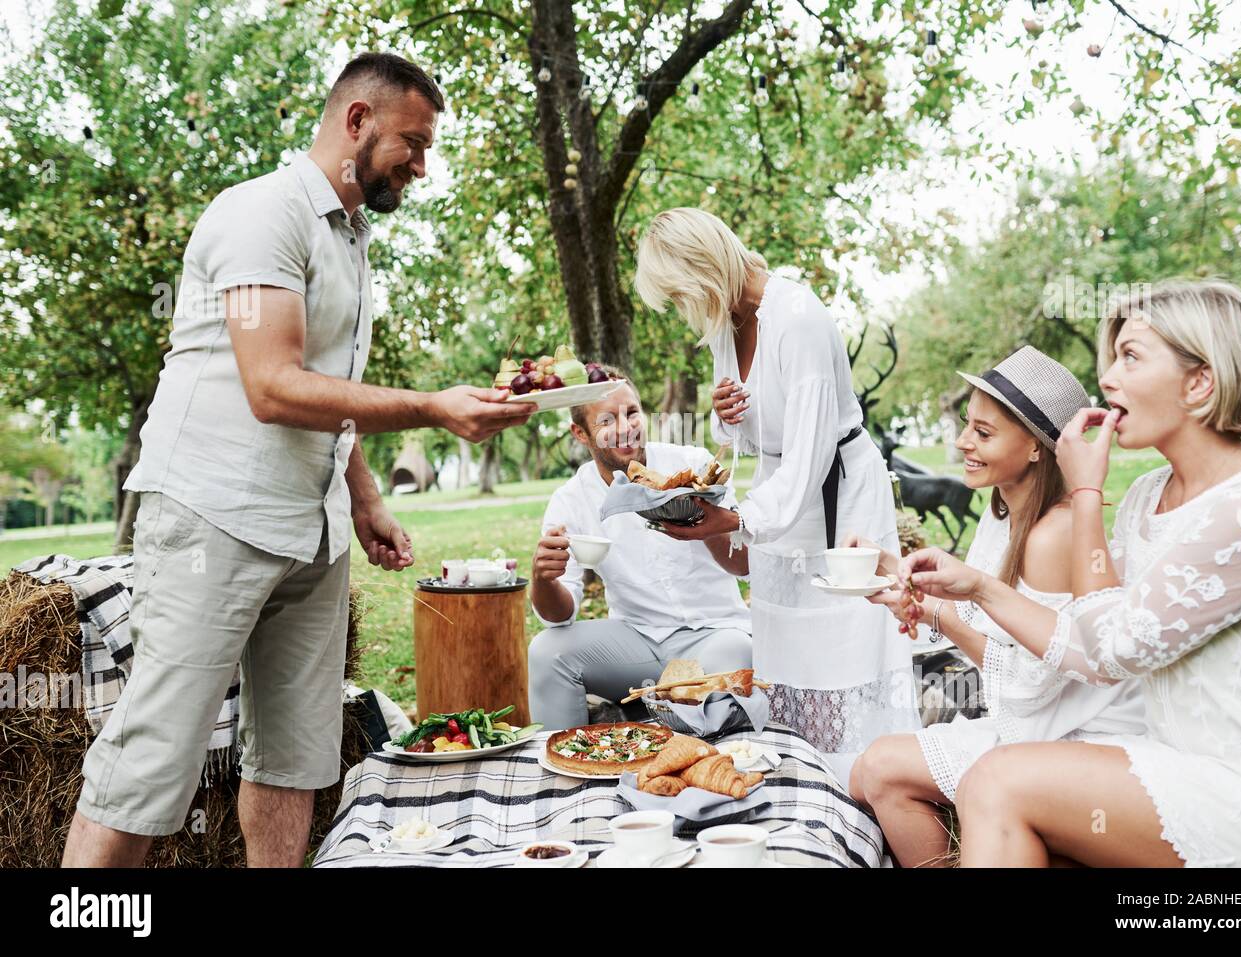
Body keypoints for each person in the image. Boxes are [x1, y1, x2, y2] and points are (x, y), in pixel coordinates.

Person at [63, 53, 535, 868]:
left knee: (295, 760)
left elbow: (330, 387)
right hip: (215, 517)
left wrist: (363, 496)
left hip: (311, 532)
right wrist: (432, 406)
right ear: (357, 120)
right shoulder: (260, 215)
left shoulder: (349, 236)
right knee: (149, 762)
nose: (421, 166)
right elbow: (274, 386)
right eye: (414, 143)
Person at [899, 279, 1241, 866]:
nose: (1107, 379)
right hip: (1162, 757)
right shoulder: (1148, 494)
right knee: (1005, 785)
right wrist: (978, 588)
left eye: (1130, 357)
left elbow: (1114, 652)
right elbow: (1083, 647)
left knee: (997, 781)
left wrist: (1085, 493)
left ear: (1199, 382)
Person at [634, 207, 916, 784]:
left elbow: (811, 454)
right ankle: (804, 775)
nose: (684, 310)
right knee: (785, 636)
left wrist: (735, 518)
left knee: (841, 639)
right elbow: (756, 431)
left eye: (681, 294)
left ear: (704, 270)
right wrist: (726, 415)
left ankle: (865, 780)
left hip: (836, 494)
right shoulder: (728, 321)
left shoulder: (797, 318)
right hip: (779, 487)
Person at [846, 346, 1145, 866]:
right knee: (868, 773)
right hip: (1037, 722)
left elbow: (1029, 687)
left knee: (878, 770)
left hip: (1072, 735)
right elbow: (981, 614)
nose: (963, 441)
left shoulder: (1054, 534)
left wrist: (937, 614)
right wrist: (895, 570)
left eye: (983, 433)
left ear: (1035, 449)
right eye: (968, 425)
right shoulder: (1003, 510)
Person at [528, 374, 752, 730]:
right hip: (634, 641)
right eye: (606, 420)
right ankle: (565, 757)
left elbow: (743, 565)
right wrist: (543, 579)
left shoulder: (695, 465)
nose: (625, 428)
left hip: (714, 632)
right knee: (546, 651)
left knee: (736, 657)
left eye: (631, 413)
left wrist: (707, 522)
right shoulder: (571, 500)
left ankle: (690, 745)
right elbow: (559, 617)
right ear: (580, 433)